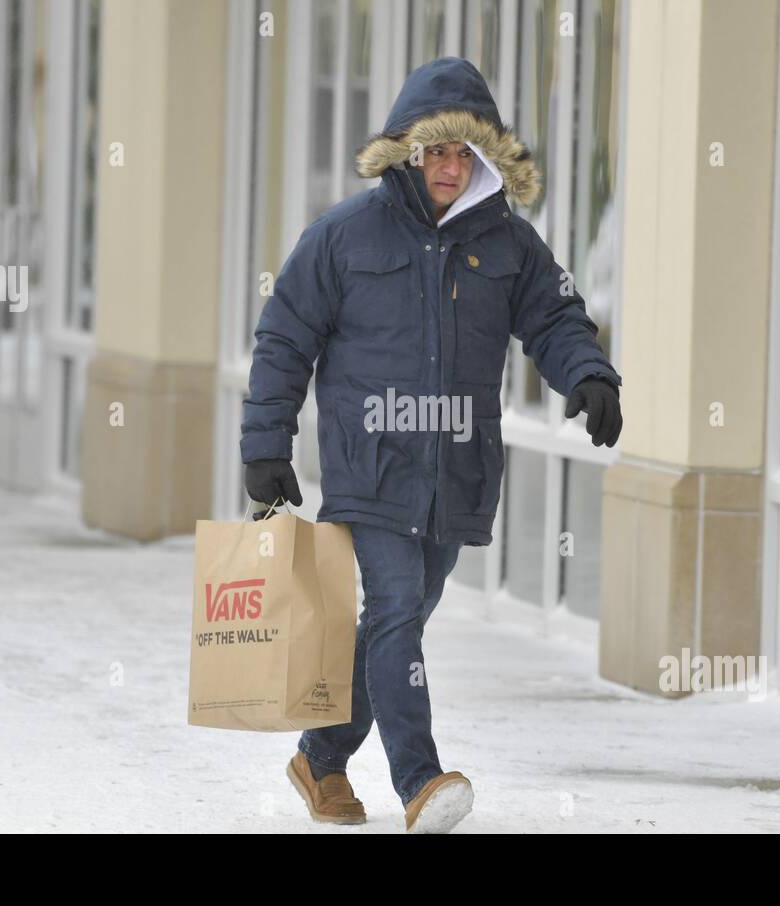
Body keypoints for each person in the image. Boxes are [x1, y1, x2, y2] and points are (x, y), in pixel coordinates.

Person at [241, 57, 622, 833]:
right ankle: (420, 779)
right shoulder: (345, 234)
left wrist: (588, 375)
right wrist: (266, 444)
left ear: (484, 160)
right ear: (408, 153)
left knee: (403, 615)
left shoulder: (509, 244)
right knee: (393, 608)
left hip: (455, 471)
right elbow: (285, 337)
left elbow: (554, 317)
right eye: (434, 152)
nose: (449, 167)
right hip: (370, 463)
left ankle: (319, 758)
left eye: (464, 154)